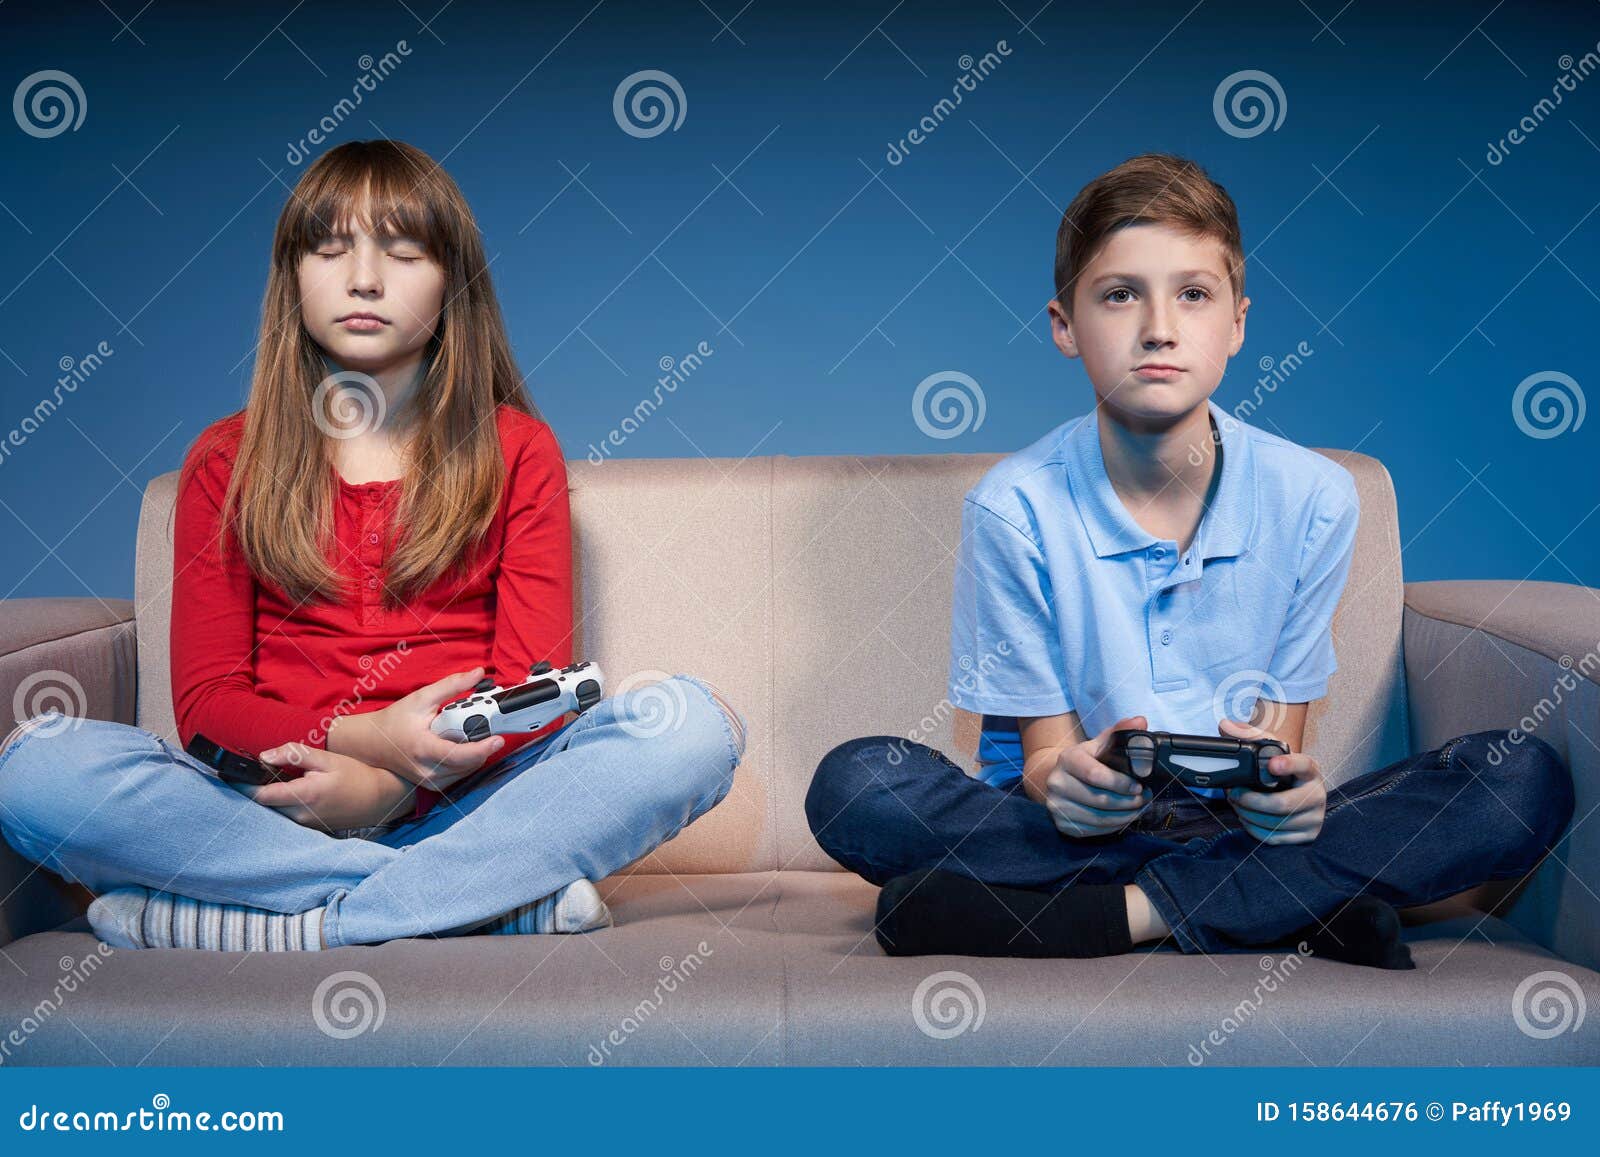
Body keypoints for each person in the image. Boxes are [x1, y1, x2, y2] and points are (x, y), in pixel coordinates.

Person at [804, 153, 1573, 967]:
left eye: (1194, 294)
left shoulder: (1314, 496)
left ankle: (1117, 915)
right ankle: (1287, 906)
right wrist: (1062, 781)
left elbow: (1274, 750)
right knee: (858, 784)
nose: (1159, 327)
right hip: (1071, 834)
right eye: (1120, 294)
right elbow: (1042, 759)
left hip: (1231, 827)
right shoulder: (1014, 505)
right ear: (1065, 325)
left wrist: (1290, 796)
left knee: (1518, 779)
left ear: (1237, 323)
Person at [0, 140, 746, 951]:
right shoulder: (226, 460)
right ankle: (478, 902)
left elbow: (531, 690)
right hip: (273, 811)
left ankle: (293, 919)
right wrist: (363, 743)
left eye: (402, 252)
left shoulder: (518, 449)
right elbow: (209, 704)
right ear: (292, 278)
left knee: (692, 727)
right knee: (36, 767)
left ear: (451, 284)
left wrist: (391, 791)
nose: (364, 279)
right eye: (331, 250)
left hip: (472, 805)